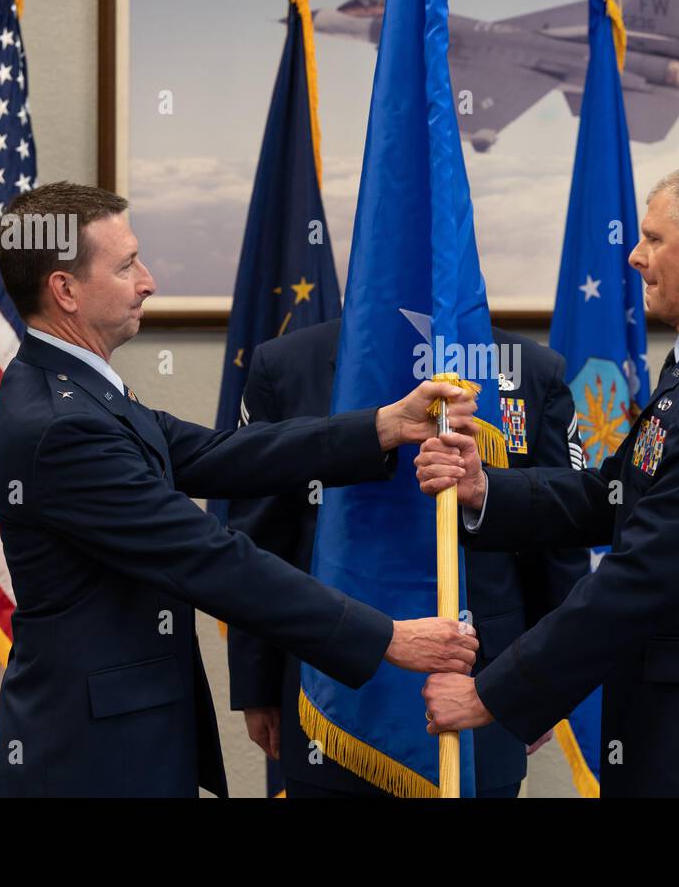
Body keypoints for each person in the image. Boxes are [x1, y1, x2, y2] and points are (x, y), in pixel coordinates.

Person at [0, 181, 478, 797]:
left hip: (123, 733)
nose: (148, 280)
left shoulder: (78, 390)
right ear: (65, 289)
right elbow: (209, 557)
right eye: (127, 263)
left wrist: (384, 426)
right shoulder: (62, 425)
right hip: (91, 758)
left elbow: (221, 452)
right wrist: (387, 638)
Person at [416, 161, 679, 797]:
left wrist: (492, 693)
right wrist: (484, 491)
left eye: (654, 239)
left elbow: (645, 574)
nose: (636, 257)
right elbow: (615, 491)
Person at [227, 319, 589, 798]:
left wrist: (543, 685)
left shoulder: (533, 369)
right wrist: (258, 686)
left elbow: (559, 543)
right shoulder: (288, 365)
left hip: (484, 687)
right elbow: (259, 540)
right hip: (328, 691)